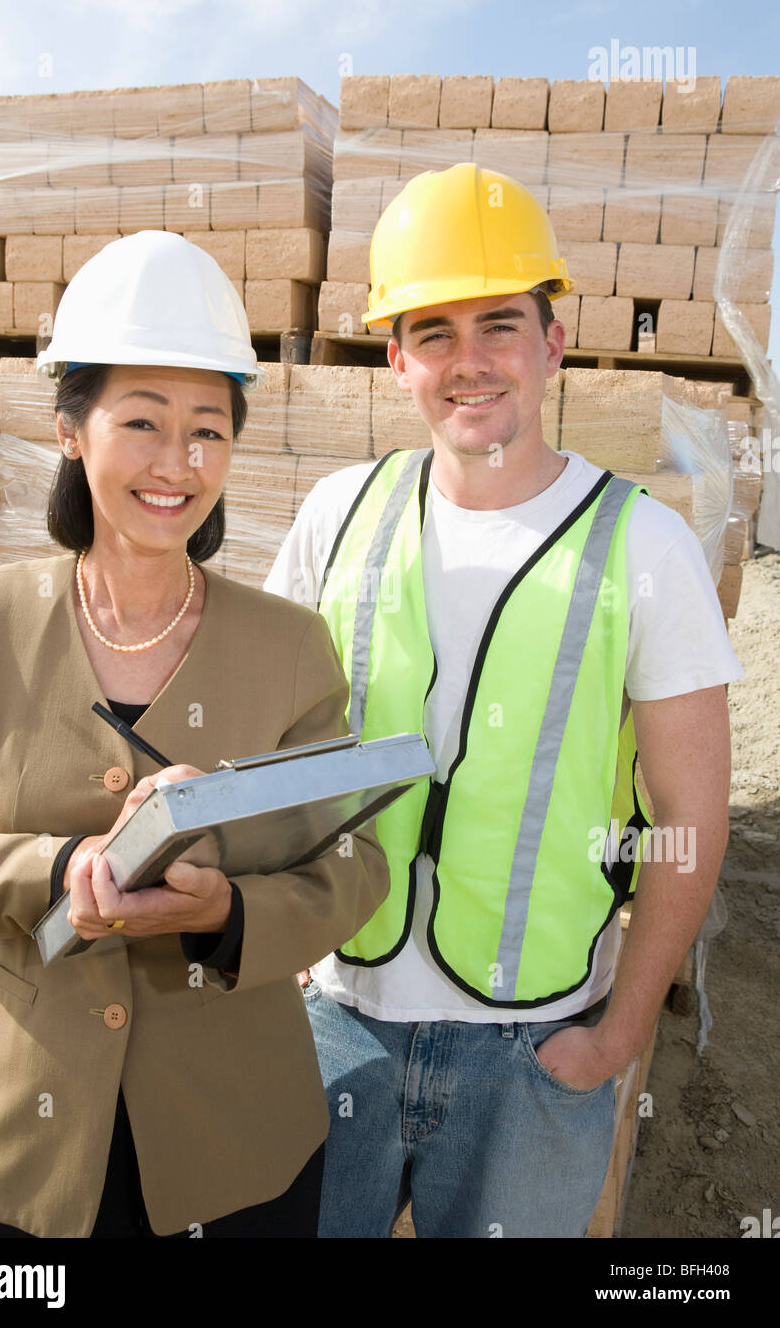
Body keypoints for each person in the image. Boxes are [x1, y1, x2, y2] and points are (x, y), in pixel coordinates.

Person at [265, 164, 743, 1238]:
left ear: (551, 341)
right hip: (337, 1017)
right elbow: (270, 743)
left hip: (529, 1045)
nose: (467, 361)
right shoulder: (337, 514)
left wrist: (619, 1033)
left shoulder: (643, 546)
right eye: (432, 332)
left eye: (498, 325)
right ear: (393, 358)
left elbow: (688, 817)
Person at [0, 230, 388, 1239]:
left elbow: (350, 863)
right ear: (71, 430)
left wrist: (223, 914)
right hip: (25, 1147)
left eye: (208, 431)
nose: (178, 464)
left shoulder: (291, 647)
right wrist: (60, 871)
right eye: (142, 422)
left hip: (236, 1144)